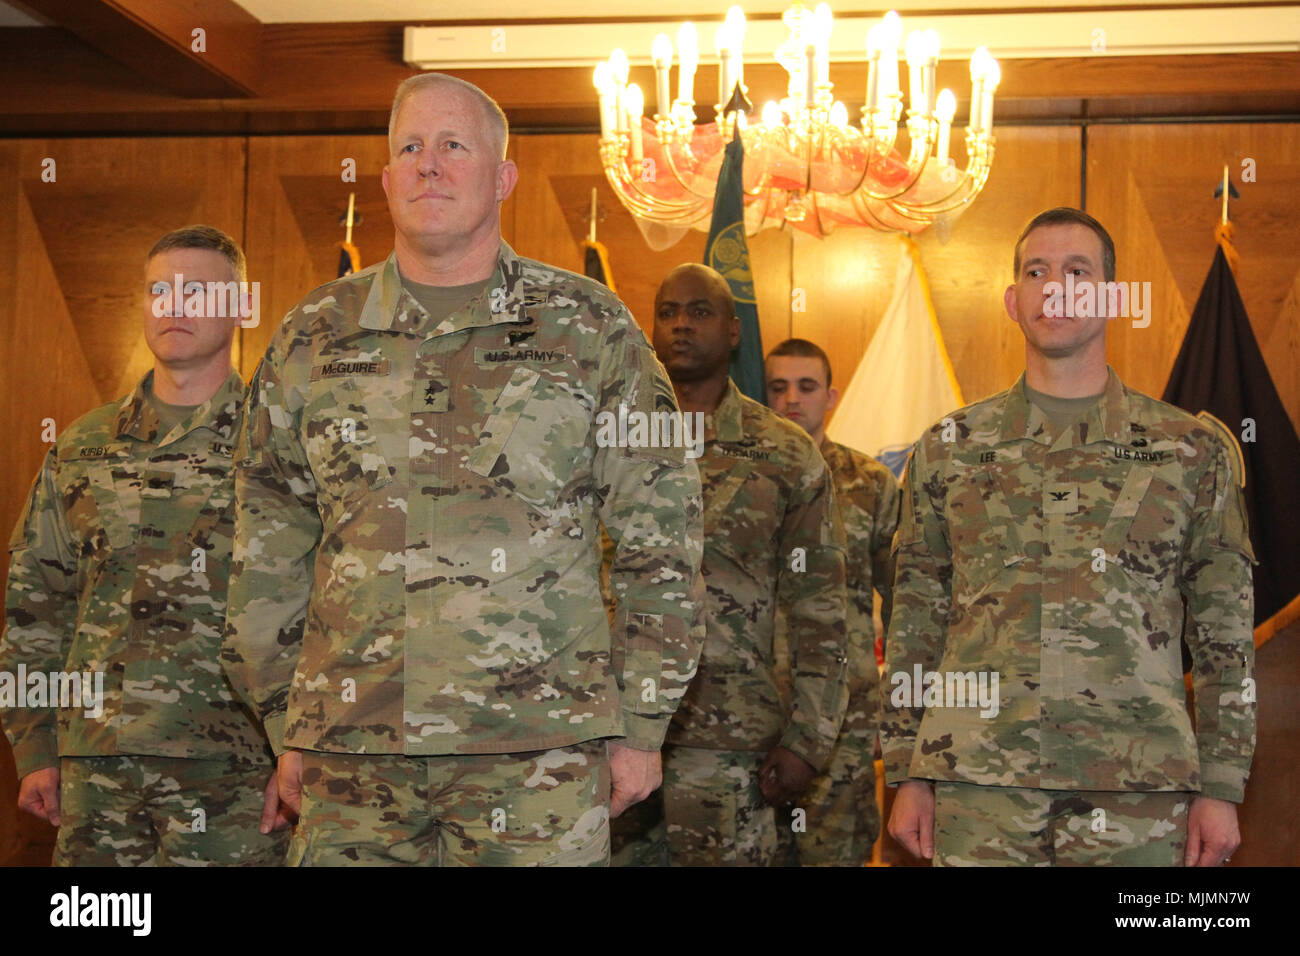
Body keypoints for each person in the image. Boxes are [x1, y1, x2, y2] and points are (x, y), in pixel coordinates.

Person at [221, 73, 704, 866]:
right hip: (351, 750)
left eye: (454, 146)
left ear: (503, 176)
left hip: (539, 752)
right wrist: (286, 722)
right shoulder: (315, 334)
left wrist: (643, 727)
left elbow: (663, 538)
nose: (428, 165)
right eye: (409, 147)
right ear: (384, 179)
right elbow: (266, 543)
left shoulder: (589, 328)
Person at [882, 207, 1257, 866]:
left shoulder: (1189, 451)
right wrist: (906, 770)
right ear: (1012, 300)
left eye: (1077, 271)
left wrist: (1222, 786)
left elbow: (1224, 635)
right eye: (1037, 271)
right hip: (977, 784)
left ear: (1110, 296)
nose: (1055, 288)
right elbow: (917, 619)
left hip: (1136, 789)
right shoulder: (948, 450)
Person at [1, 225, 287, 866]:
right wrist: (34, 748)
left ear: (242, 308)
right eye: (159, 290)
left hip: (235, 770)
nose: (174, 306)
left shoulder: (278, 445)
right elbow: (35, 606)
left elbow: (326, 608)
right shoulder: (82, 446)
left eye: (197, 291)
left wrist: (301, 750)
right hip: (97, 773)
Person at [646, 263, 849, 866]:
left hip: (731, 750)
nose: (681, 325)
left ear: (735, 332)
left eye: (699, 312)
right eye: (667, 313)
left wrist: (808, 741)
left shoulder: (785, 453)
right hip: (611, 741)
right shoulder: (605, 438)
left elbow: (821, 607)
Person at [766, 338, 899, 866]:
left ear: (832, 395)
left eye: (806, 386)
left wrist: (894, 714)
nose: (792, 399)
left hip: (846, 719)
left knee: (834, 856)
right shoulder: (744, 481)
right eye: (778, 387)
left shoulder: (871, 484)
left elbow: (907, 601)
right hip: (752, 714)